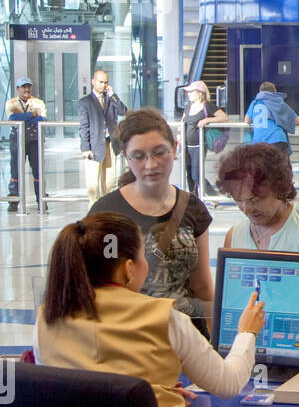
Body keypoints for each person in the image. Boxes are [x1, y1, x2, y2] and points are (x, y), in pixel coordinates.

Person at [33, 212, 266, 407]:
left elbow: (78, 384)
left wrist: (150, 393)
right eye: (143, 256)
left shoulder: (48, 316)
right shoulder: (164, 317)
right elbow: (228, 383)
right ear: (128, 269)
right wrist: (247, 332)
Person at [89, 109, 215, 334]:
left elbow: (202, 285)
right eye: (139, 156)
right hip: (132, 336)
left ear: (175, 149)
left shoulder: (192, 207)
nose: (151, 164)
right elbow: (99, 288)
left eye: (159, 153)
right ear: (127, 158)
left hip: (188, 335)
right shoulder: (107, 212)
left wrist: (216, 343)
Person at [216, 142, 299, 304]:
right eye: (238, 200)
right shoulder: (235, 236)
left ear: (279, 188)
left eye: (256, 199)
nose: (247, 208)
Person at [77, 69, 128, 203]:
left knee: (110, 180)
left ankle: (108, 208)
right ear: (93, 82)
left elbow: (123, 111)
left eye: (106, 82)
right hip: (94, 146)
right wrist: (85, 148)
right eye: (100, 82)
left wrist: (113, 95)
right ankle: (94, 210)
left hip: (110, 143)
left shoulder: (110, 99)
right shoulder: (85, 102)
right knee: (93, 183)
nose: (103, 85)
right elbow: (84, 127)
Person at [5, 77, 47, 212]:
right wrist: (32, 115)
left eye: (28, 86)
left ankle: (41, 199)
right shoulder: (11, 102)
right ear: (18, 89)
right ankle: (13, 199)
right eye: (23, 87)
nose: (26, 89)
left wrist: (25, 116)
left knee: (38, 170)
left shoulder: (38, 102)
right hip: (17, 140)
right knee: (15, 170)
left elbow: (42, 119)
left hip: (34, 140)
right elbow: (12, 118)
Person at [181, 80, 228, 196]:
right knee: (190, 174)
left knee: (196, 174)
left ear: (199, 93)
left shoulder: (207, 106)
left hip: (199, 145)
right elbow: (183, 121)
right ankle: (194, 196)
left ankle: (211, 196)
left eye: (191, 91)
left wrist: (207, 120)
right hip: (187, 145)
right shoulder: (188, 107)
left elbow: (224, 117)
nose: (188, 94)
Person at [244, 81, 299, 161]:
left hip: (258, 143)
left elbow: (247, 120)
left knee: (262, 170)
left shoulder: (254, 103)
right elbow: (296, 120)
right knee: (279, 169)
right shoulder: (277, 102)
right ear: (275, 92)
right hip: (276, 140)